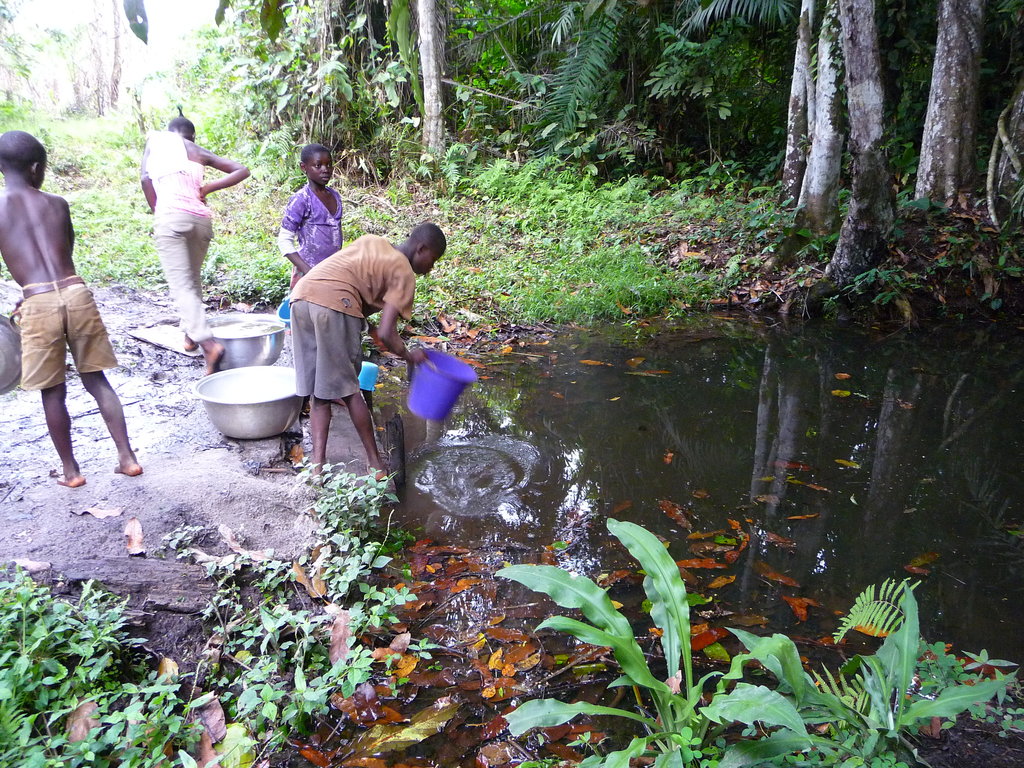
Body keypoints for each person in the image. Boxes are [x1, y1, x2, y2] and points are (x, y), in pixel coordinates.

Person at [0, 130, 143, 487]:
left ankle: (71, 472)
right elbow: (65, 251)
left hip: (36, 301)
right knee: (97, 379)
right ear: (36, 168)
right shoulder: (57, 203)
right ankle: (127, 458)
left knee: (53, 391)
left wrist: (33, 296)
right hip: (75, 292)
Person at [289, 223, 447, 476]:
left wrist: (368, 327)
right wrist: (409, 355)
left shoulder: (374, 242)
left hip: (300, 299)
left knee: (319, 392)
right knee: (350, 389)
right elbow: (387, 332)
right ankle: (376, 464)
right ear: (422, 249)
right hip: (333, 304)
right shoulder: (404, 271)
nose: (432, 267)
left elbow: (349, 278)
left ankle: (316, 468)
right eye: (434, 259)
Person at [139, 111, 250, 375]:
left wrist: (159, 211)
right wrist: (206, 189)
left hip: (171, 219)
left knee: (181, 286)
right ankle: (190, 335)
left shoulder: (157, 143)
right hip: (201, 221)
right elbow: (241, 170)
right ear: (192, 136)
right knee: (193, 279)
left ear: (169, 131)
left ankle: (209, 344)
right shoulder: (196, 150)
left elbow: (145, 179)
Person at [277, 143, 343, 289]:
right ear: (304, 167)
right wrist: (308, 270)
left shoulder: (335, 196)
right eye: (318, 166)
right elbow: (284, 240)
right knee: (305, 309)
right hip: (308, 274)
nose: (325, 170)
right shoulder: (302, 199)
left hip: (333, 272)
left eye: (329, 165)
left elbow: (337, 234)